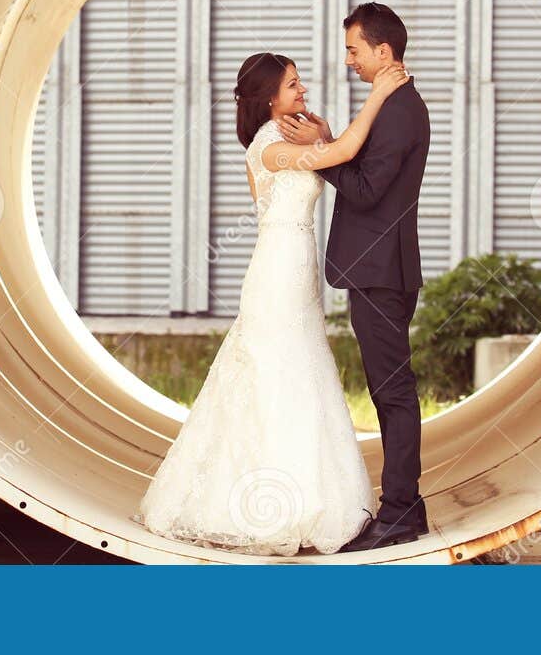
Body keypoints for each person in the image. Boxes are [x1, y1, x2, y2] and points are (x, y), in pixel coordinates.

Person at [134, 48, 411, 555]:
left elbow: (331, 152)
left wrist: (323, 130)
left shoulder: (288, 136)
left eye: (299, 82)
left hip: (298, 264)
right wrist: (378, 95)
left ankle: (304, 492)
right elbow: (342, 155)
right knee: (275, 371)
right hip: (277, 269)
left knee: (300, 367)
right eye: (292, 84)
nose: (302, 90)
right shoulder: (270, 145)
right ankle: (266, 503)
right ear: (268, 99)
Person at [277, 1, 432, 551]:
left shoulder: (399, 109)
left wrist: (319, 151)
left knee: (394, 394)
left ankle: (401, 513)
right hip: (378, 269)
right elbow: (370, 170)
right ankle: (401, 507)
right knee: (389, 391)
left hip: (382, 271)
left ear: (382, 51)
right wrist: (328, 139)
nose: (349, 61)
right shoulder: (394, 108)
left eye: (353, 50)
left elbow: (366, 189)